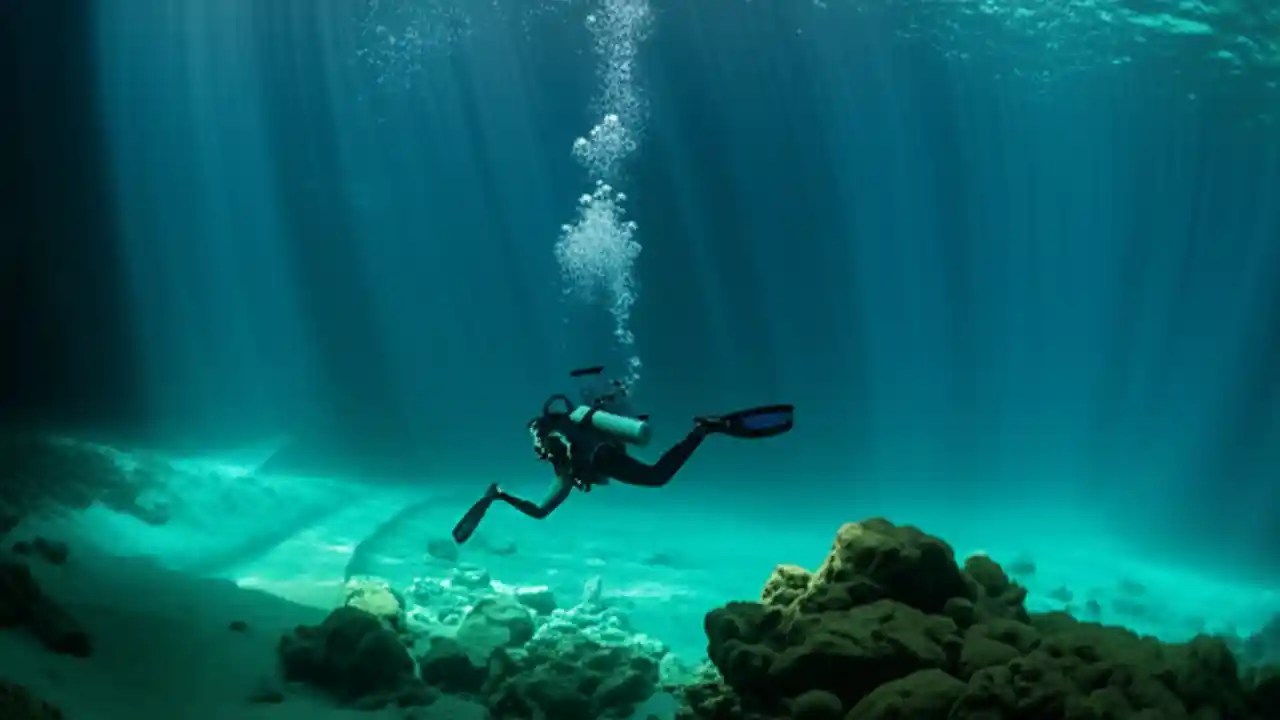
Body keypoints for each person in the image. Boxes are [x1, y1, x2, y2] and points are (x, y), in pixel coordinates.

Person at [451, 369, 793, 544]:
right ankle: (621, 396)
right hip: (606, 449)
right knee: (651, 468)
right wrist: (502, 496)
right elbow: (541, 512)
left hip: (603, 456)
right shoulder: (565, 451)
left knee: (657, 477)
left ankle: (703, 429)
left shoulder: (559, 455)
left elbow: (542, 507)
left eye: (536, 445)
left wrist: (499, 496)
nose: (536, 452)